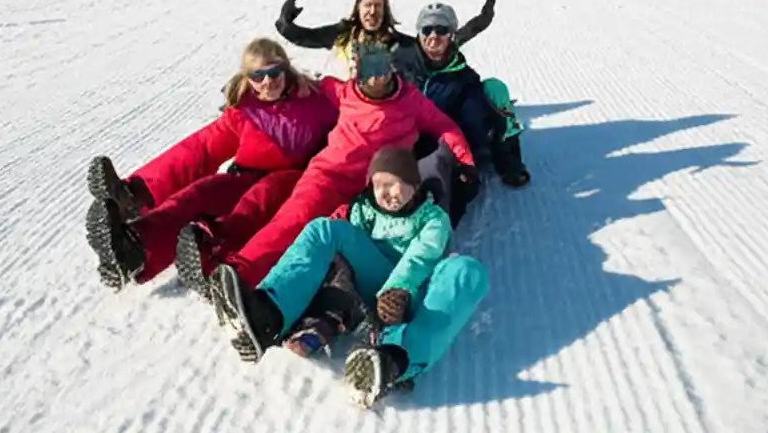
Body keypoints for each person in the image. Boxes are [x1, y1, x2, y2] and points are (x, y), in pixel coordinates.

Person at [189, 46, 475, 302]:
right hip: (327, 176)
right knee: (293, 220)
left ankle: (274, 294)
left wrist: (466, 162)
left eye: (381, 68)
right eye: (368, 71)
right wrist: (244, 92)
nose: (376, 78)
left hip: (370, 194)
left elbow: (445, 127)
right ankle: (239, 275)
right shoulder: (343, 91)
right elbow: (294, 84)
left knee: (326, 251)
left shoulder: (411, 101)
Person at [212, 146, 488, 410]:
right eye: (378, 185)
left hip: (417, 293)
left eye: (394, 184)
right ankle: (268, 314)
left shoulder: (432, 218)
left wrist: (397, 290)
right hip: (375, 283)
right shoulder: (363, 209)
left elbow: (420, 256)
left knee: (467, 270)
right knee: (323, 229)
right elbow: (339, 248)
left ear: (414, 185)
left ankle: (391, 361)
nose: (385, 193)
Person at [83, 38, 337, 290]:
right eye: (258, 76)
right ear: (247, 78)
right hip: (245, 175)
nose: (268, 82)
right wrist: (140, 188)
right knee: (201, 193)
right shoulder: (245, 109)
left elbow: (356, 99)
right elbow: (202, 149)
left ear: (286, 70)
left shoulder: (316, 98)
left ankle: (212, 257)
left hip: (293, 179)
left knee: (254, 205)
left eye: (274, 73)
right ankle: (134, 248)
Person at [400, 3, 530, 213]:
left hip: (448, 141)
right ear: (418, 34)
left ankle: (507, 158)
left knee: (495, 90)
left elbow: (474, 124)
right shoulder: (403, 64)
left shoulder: (463, 78)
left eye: (442, 30)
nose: (433, 36)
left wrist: (469, 160)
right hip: (408, 139)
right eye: (427, 29)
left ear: (451, 35)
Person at [276, 0, 495, 74]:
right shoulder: (343, 34)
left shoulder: (396, 40)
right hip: (345, 104)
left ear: (385, 10)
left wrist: (478, 24)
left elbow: (439, 44)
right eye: (367, 5)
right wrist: (285, 25)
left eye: (378, 6)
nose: (372, 11)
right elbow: (307, 37)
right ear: (358, 8)